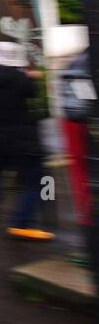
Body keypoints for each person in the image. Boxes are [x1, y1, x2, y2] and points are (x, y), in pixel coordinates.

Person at [0, 40, 52, 240]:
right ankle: (23, 223)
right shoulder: (19, 79)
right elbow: (32, 94)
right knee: (37, 180)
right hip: (22, 137)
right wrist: (32, 76)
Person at [59, 52, 93, 227]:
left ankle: (86, 212)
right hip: (81, 119)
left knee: (80, 168)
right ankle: (87, 213)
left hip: (73, 117)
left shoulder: (80, 59)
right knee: (82, 168)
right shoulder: (86, 60)